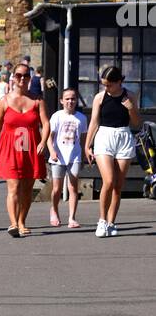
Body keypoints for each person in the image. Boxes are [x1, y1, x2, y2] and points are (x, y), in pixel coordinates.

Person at [0, 63, 50, 237]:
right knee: (13, 186)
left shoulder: (37, 100)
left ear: (30, 78)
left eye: (26, 76)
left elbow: (46, 124)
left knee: (27, 188)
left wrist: (43, 141)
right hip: (9, 150)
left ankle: (22, 221)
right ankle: (13, 223)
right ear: (13, 77)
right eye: (19, 75)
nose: (22, 79)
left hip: (31, 150)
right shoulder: (4, 101)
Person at [84, 66, 142, 237]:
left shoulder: (129, 95)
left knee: (118, 185)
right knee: (108, 181)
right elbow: (94, 121)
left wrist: (131, 108)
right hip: (104, 136)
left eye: (109, 85)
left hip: (123, 136)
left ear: (119, 82)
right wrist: (87, 145)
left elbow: (137, 123)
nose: (106, 88)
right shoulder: (100, 97)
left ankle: (111, 222)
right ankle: (101, 221)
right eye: (104, 84)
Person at [48, 88, 88, 228]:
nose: (70, 101)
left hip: (74, 155)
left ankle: (72, 217)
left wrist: (83, 156)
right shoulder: (57, 116)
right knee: (57, 188)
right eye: (67, 99)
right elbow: (49, 136)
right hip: (58, 155)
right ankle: (54, 210)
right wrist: (52, 151)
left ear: (76, 100)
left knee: (73, 187)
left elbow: (83, 139)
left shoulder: (81, 118)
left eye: (73, 99)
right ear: (62, 101)